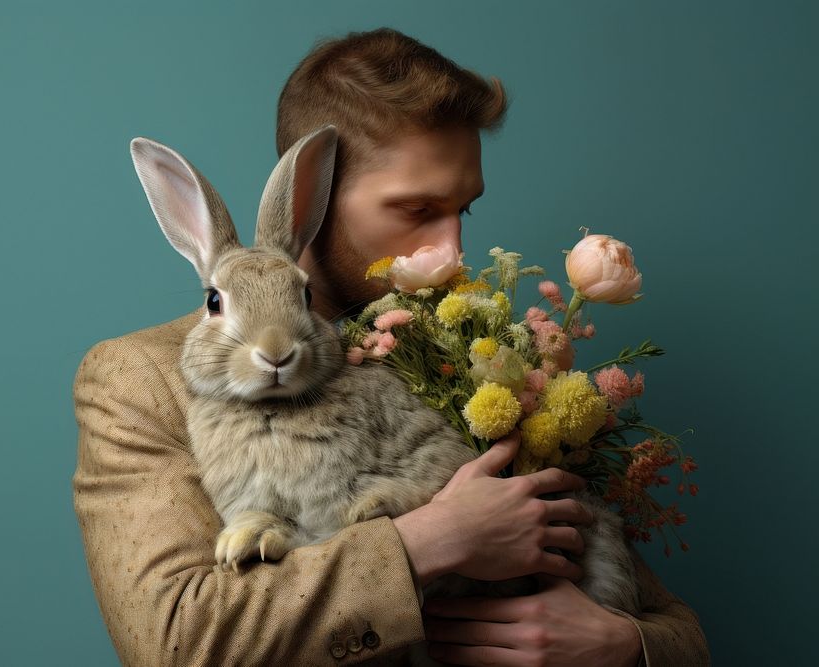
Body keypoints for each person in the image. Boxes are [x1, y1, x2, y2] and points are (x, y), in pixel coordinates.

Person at [72, 27, 709, 666]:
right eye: (415, 210)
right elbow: (175, 644)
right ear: (317, 201)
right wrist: (433, 539)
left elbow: (676, 628)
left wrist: (621, 646)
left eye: (465, 210)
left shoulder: (464, 349)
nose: (453, 250)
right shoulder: (136, 378)